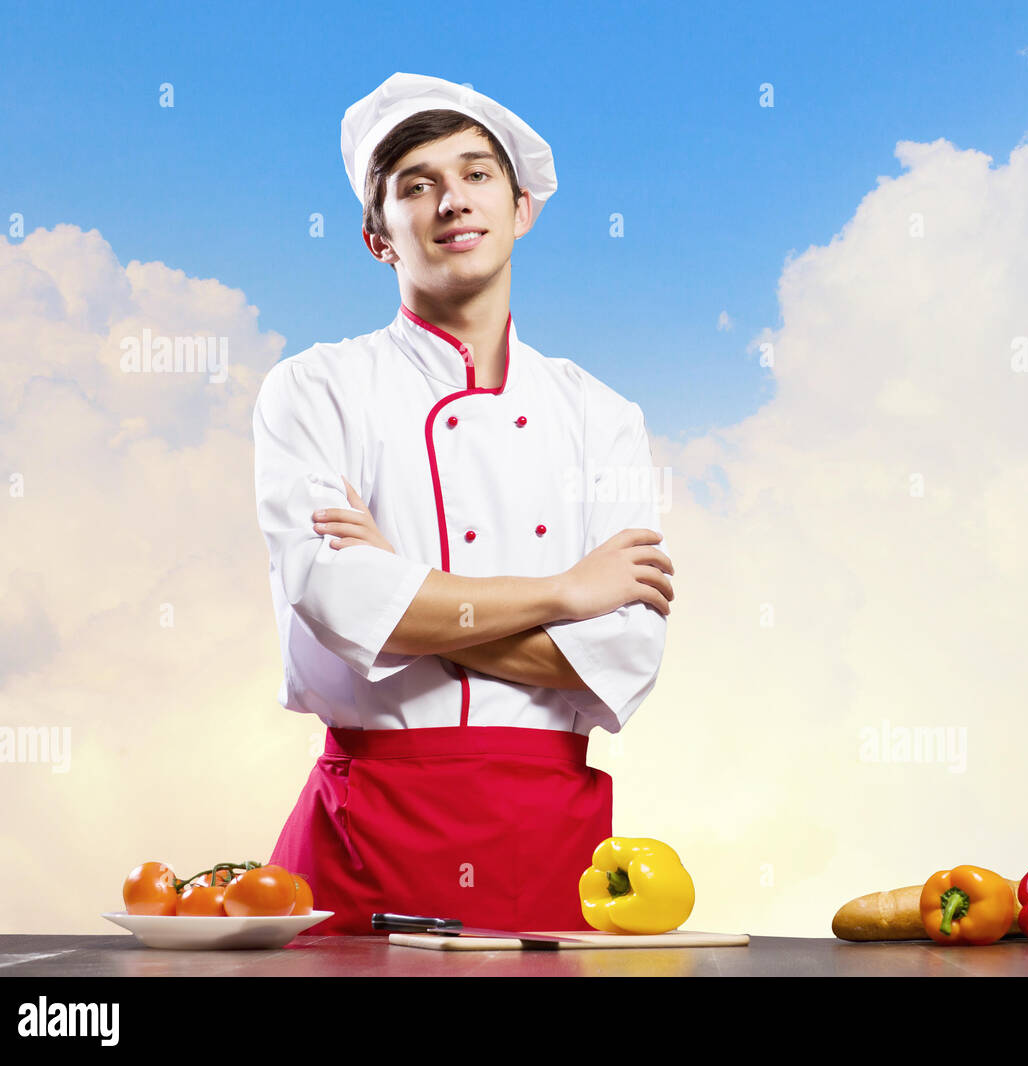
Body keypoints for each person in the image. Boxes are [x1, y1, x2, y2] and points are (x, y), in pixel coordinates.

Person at [251, 73, 674, 934]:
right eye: (416, 185)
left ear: (522, 209)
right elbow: (337, 600)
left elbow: (626, 653)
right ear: (378, 237)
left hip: (553, 842)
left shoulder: (603, 415)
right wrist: (566, 593)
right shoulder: (314, 388)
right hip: (363, 837)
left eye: (477, 174)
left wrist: (409, 599)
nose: (452, 200)